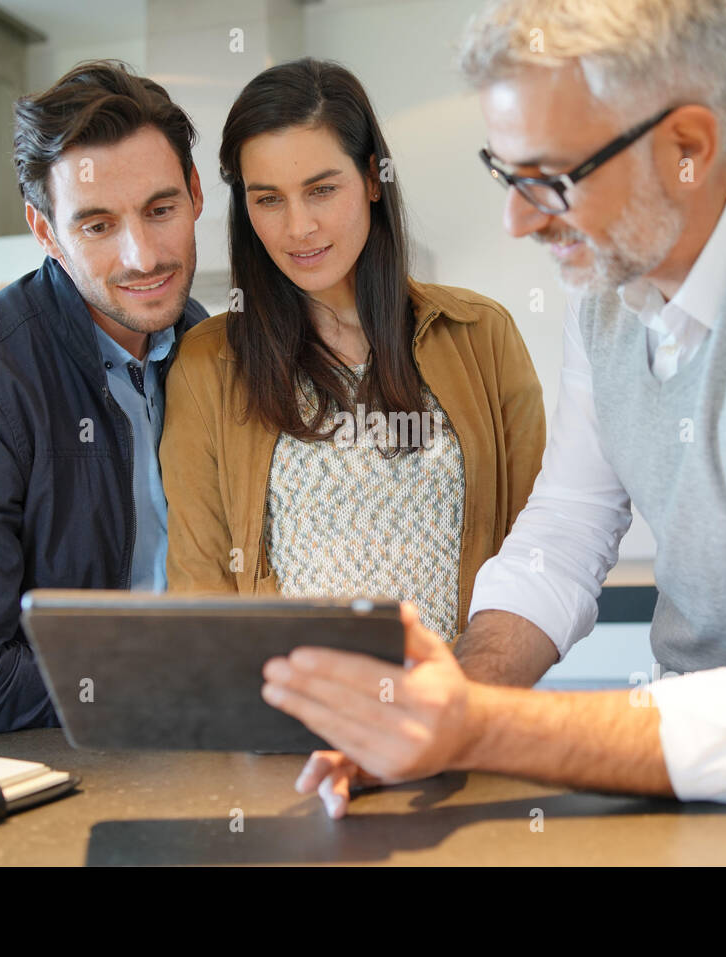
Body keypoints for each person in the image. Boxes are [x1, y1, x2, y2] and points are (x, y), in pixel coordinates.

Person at [261, 0, 726, 818]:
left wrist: (471, 726)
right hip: (690, 772)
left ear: (687, 147)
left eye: (550, 178)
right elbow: (565, 533)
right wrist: (434, 706)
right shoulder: (611, 293)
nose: (519, 220)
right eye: (507, 174)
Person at [161, 58, 545, 646]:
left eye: (321, 190)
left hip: (459, 715)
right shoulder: (206, 367)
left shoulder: (480, 336)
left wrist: (474, 703)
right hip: (286, 723)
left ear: (371, 178)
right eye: (268, 199)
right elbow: (201, 590)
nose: (299, 227)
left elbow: (537, 552)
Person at [0, 61, 208, 737]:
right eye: (97, 225)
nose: (143, 255)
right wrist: (178, 673)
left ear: (196, 194)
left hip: (223, 751)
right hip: (62, 782)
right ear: (45, 230)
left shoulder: (218, 352)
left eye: (161, 209)